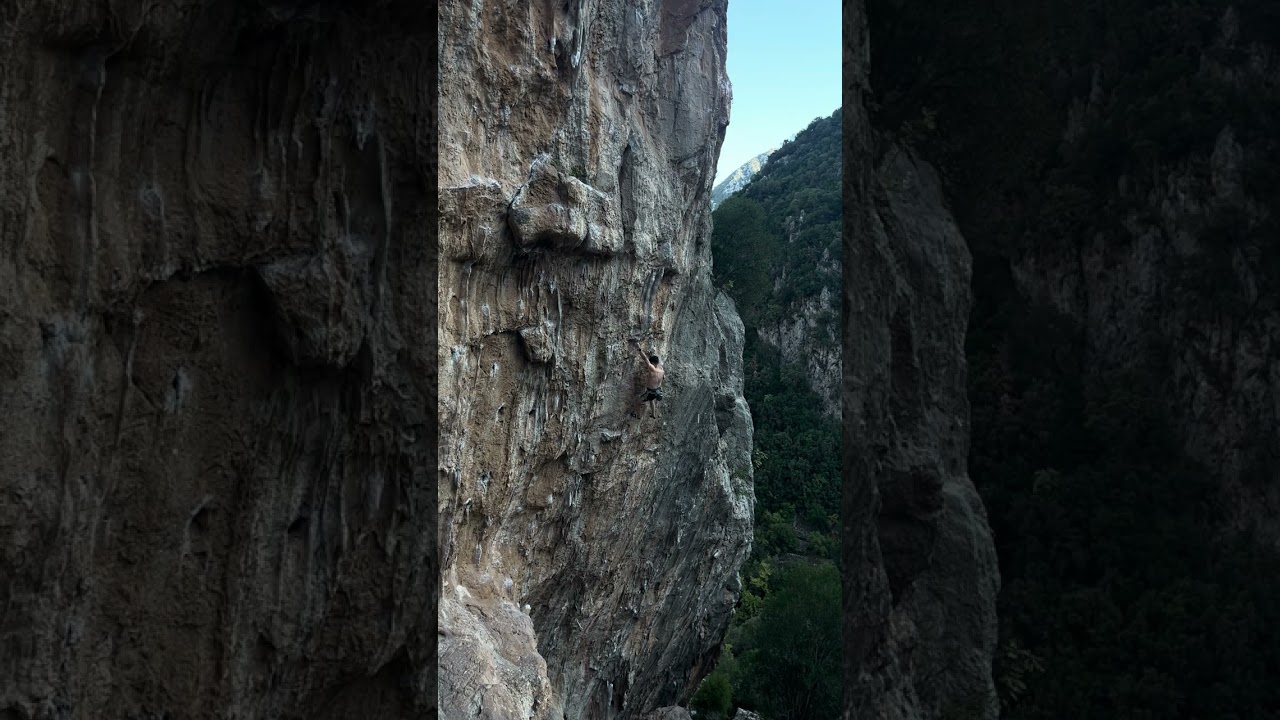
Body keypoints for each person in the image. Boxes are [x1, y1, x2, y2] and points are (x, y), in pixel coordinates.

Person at [628, 337, 664, 419]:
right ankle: (653, 414)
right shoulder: (661, 370)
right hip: (658, 390)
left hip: (651, 392)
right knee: (651, 400)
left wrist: (639, 348)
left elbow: (645, 359)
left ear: (653, 363)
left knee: (638, 402)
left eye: (651, 363)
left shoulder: (653, 369)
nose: (649, 365)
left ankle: (638, 416)